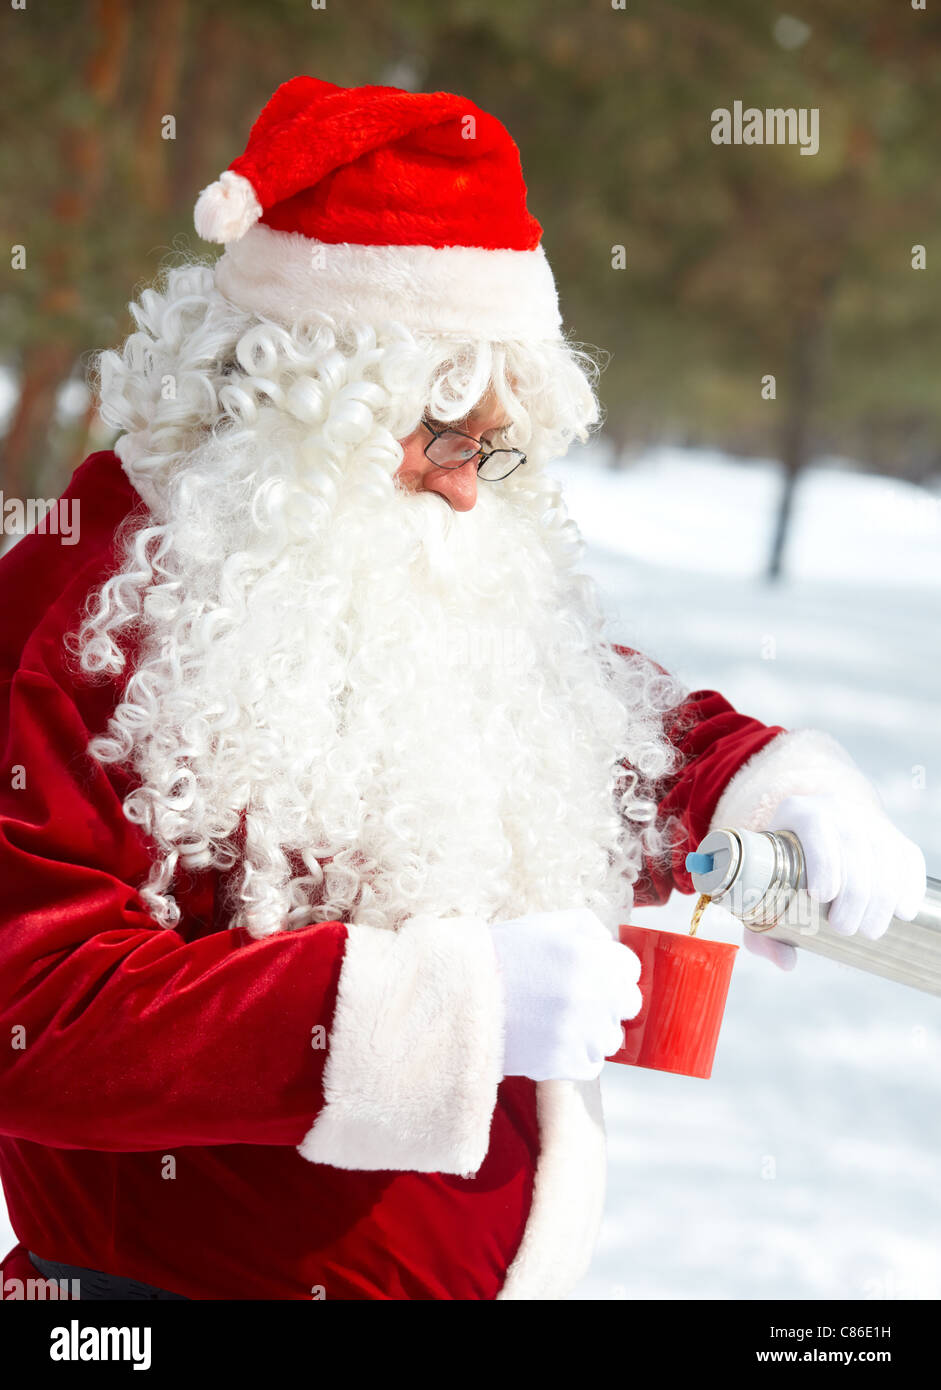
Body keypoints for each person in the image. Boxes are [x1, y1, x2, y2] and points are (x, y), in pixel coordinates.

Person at [0, 76, 925, 1302]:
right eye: (442, 439)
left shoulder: (374, 549)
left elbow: (560, 709)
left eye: (496, 449)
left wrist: (753, 792)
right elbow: (40, 1010)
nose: (469, 490)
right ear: (305, 400)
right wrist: (440, 1012)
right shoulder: (83, 605)